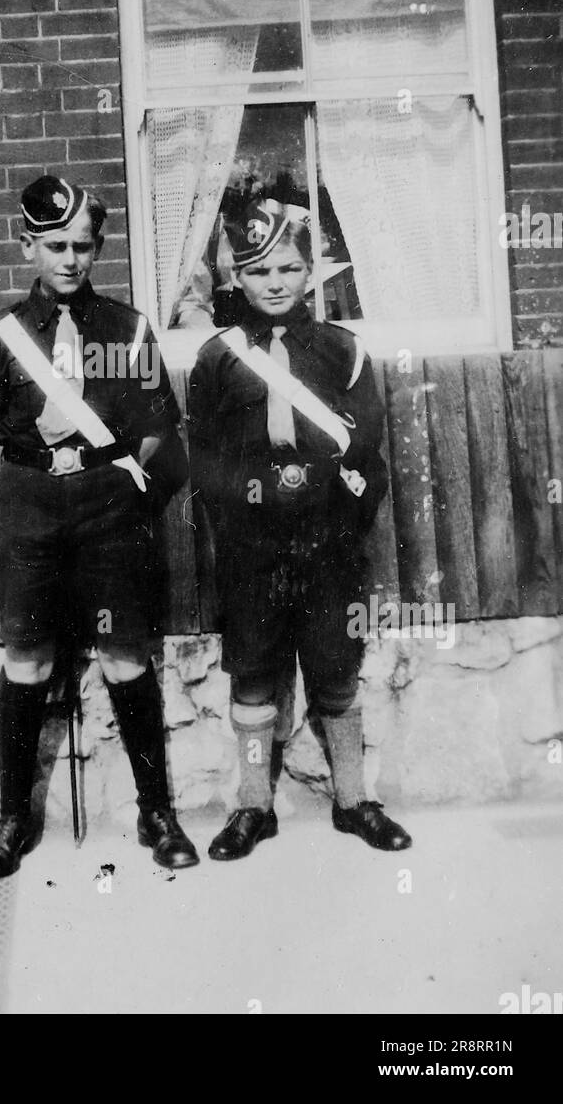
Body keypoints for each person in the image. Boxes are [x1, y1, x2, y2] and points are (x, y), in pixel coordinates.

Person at [0, 175, 198, 878]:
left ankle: (156, 812)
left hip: (108, 505)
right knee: (27, 658)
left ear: (97, 249)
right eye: (56, 245)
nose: (70, 259)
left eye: (83, 246)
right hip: (33, 503)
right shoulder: (2, 333)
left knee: (125, 654)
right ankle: (12, 818)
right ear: (28, 245)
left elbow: (159, 429)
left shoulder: (128, 329)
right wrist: (34, 491)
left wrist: (114, 492)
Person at [188, 198, 411, 860]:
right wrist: (249, 505)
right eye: (259, 272)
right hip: (251, 544)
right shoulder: (219, 358)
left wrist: (332, 514)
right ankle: (253, 805)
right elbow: (202, 461)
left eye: (289, 268)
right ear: (236, 279)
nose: (276, 284)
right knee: (253, 672)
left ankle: (353, 798)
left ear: (312, 272)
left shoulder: (343, 353)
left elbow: (366, 457)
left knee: (336, 669)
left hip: (327, 541)